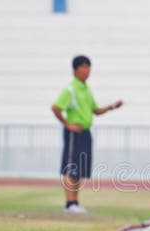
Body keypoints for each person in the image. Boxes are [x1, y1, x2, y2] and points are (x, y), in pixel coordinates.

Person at [52, 55, 123, 214]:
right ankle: (69, 203)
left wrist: (112, 107)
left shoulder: (86, 89)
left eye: (88, 67)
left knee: (79, 169)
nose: (87, 70)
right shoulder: (70, 89)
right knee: (70, 168)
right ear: (75, 70)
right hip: (73, 133)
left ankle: (75, 202)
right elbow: (56, 107)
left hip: (85, 132)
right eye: (83, 67)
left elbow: (95, 111)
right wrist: (67, 124)